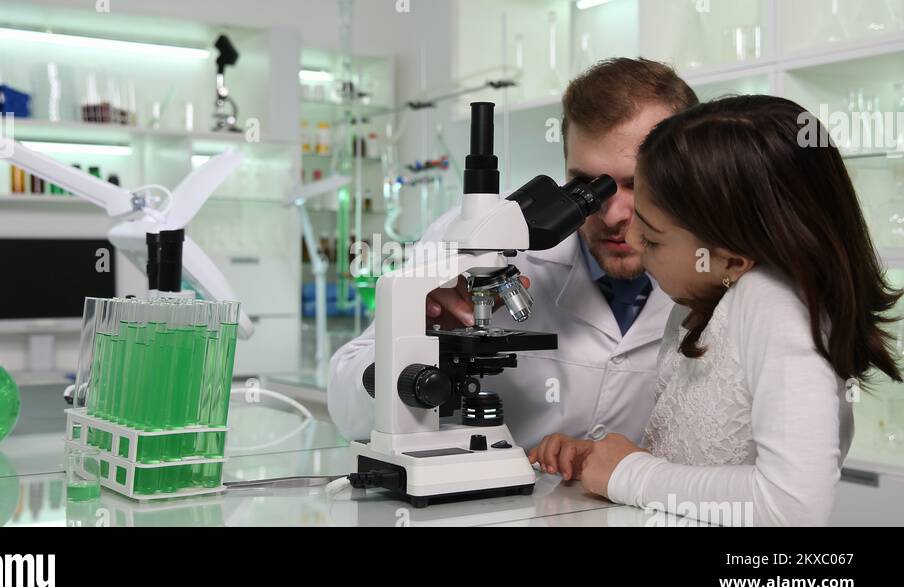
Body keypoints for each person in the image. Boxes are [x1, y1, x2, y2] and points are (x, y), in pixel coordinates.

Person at [529, 95, 903, 526]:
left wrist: (627, 473)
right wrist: (603, 461)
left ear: (732, 259)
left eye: (652, 237)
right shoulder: (700, 306)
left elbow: (793, 507)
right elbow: (697, 470)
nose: (630, 241)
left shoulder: (773, 306)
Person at [327, 58, 698, 448]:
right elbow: (347, 412)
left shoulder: (718, 264)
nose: (612, 213)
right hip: (496, 502)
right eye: (587, 184)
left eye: (637, 183)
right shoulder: (478, 234)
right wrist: (418, 336)